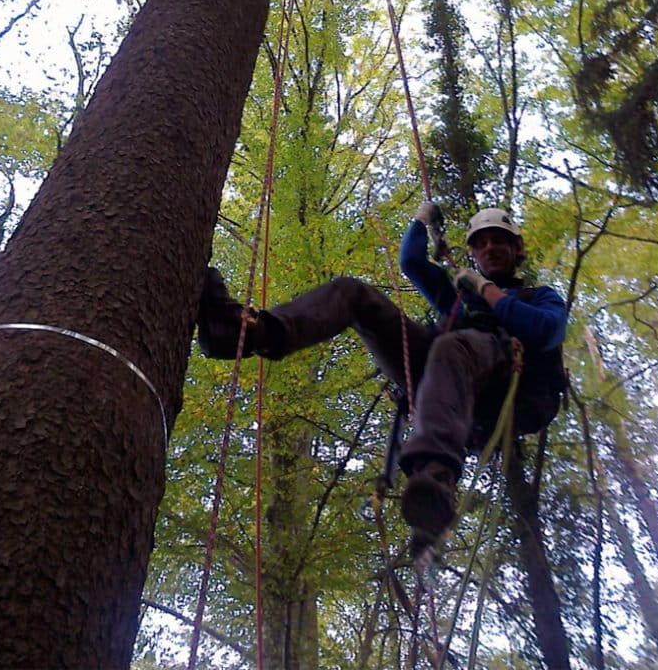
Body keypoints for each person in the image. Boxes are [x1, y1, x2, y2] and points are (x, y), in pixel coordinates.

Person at [196, 204, 567, 556]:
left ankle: (436, 476)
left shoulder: (537, 297)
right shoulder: (458, 299)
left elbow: (545, 331)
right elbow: (411, 261)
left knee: (453, 346)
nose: (490, 248)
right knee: (353, 294)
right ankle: (252, 333)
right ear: (472, 252)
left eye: (499, 240)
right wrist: (420, 223)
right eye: (481, 242)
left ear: (517, 250)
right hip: (441, 368)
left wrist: (486, 290)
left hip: (498, 382)